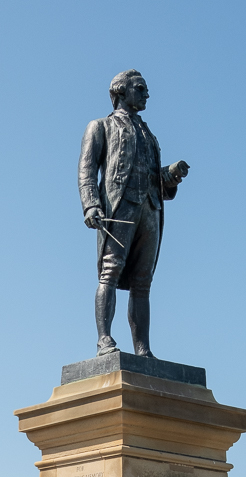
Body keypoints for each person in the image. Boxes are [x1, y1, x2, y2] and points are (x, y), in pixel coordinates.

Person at [78, 69, 189, 357]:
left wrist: (170, 176)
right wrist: (91, 204)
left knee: (143, 282)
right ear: (120, 92)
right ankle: (105, 340)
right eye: (140, 88)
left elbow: (152, 175)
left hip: (150, 208)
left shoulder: (148, 133)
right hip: (120, 207)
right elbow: (87, 170)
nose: (146, 94)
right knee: (110, 272)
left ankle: (143, 350)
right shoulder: (100, 126)